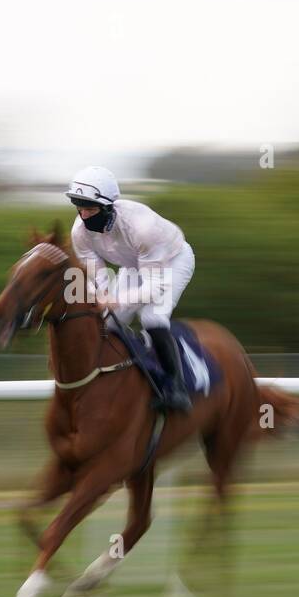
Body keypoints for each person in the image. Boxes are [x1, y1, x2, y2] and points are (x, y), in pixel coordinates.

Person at [65, 165, 196, 412]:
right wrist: (104, 298)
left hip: (173, 261)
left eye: (90, 209)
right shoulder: (79, 232)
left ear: (107, 206)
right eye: (79, 208)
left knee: (152, 316)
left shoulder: (142, 227)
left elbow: (153, 289)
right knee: (109, 321)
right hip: (135, 264)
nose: (83, 216)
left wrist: (113, 301)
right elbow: (98, 277)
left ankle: (177, 389)